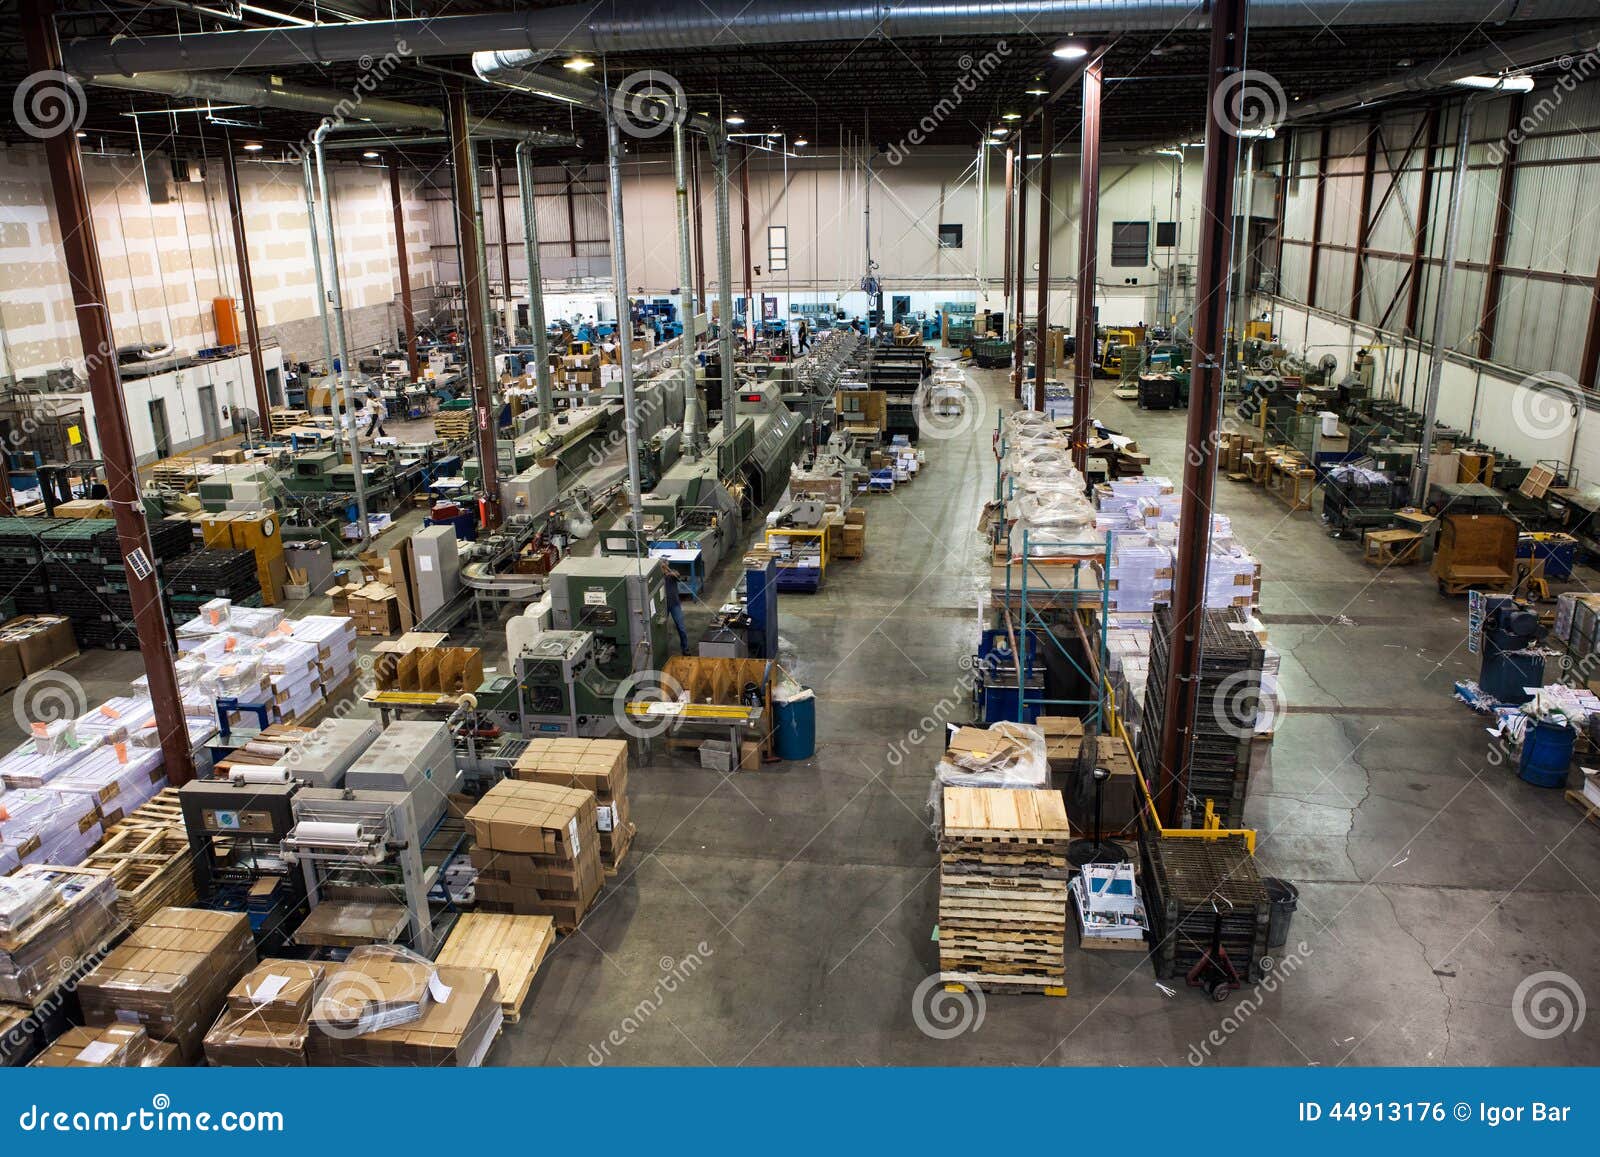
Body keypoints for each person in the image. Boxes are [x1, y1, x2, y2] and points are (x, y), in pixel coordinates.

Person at [663, 564, 691, 656]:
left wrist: (669, 571)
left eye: (666, 565)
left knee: (681, 628)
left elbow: (677, 575)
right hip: (664, 606)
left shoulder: (672, 575)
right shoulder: (659, 577)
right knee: (661, 629)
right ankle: (662, 651)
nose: (664, 568)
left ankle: (685, 649)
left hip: (675, 605)